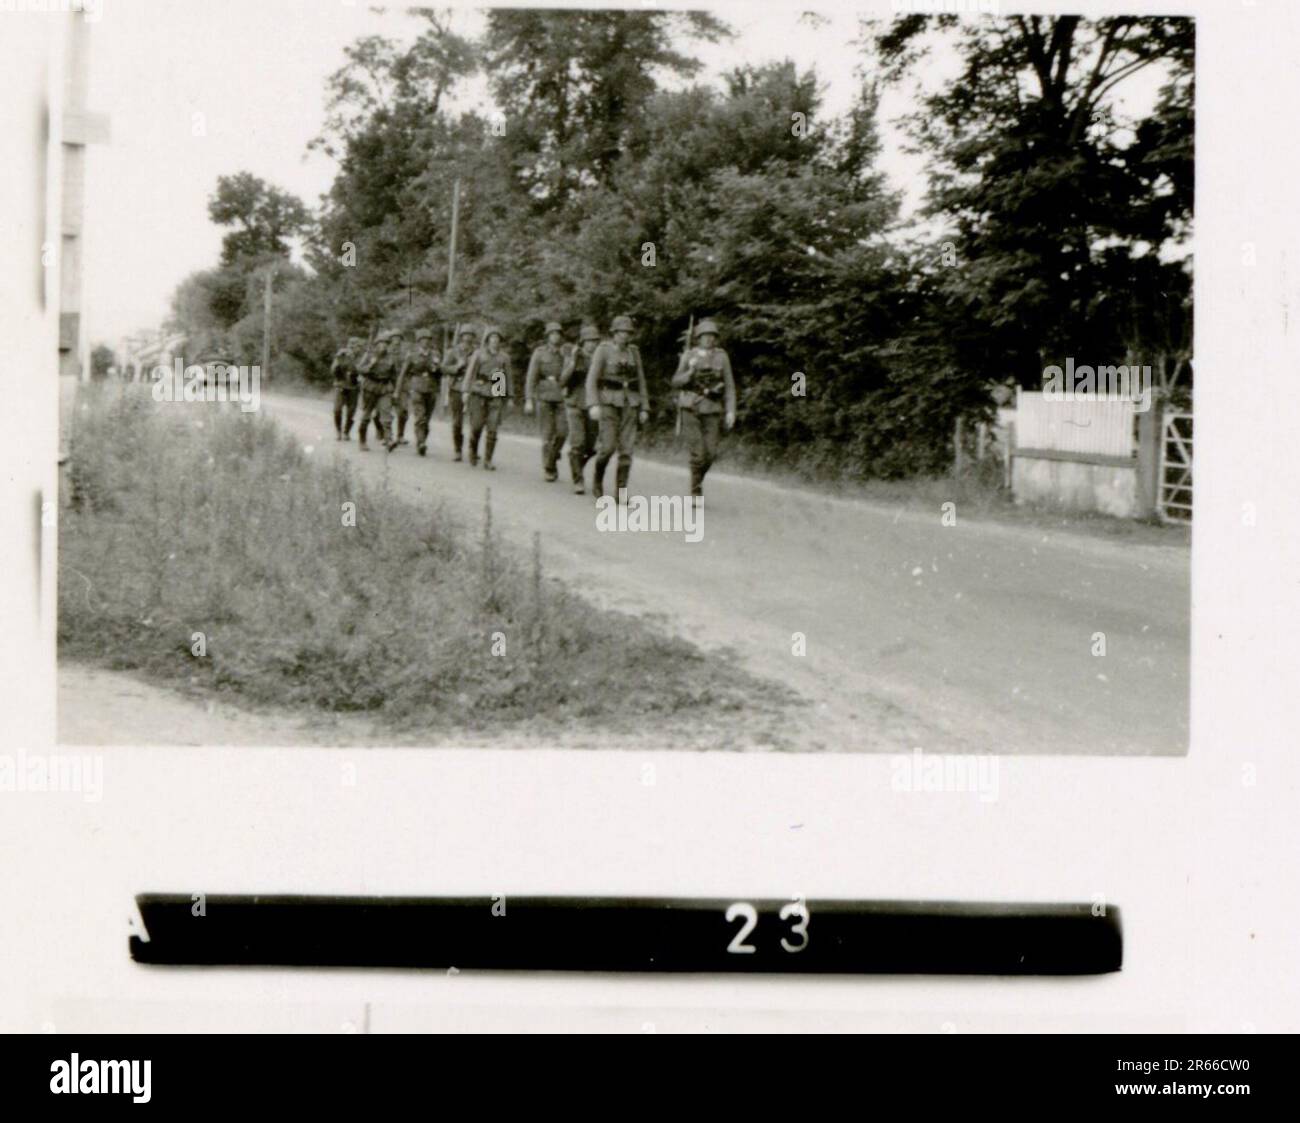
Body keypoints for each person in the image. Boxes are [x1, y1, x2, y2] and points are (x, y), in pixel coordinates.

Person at [585, 314, 648, 501]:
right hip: (608, 402)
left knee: (627, 450)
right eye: (621, 332)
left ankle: (621, 491)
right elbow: (591, 379)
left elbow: (641, 380)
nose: (625, 336)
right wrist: (593, 404)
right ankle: (597, 479)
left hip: (630, 402)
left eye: (628, 333)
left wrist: (645, 406)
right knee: (608, 447)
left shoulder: (634, 352)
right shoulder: (603, 350)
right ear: (614, 333)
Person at [671, 318, 736, 498]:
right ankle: (695, 490)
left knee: (711, 454)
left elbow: (729, 385)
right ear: (698, 338)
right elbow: (675, 381)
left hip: (712, 408)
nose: (709, 339)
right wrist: (689, 373)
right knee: (698, 454)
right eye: (705, 336)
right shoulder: (688, 356)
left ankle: (697, 480)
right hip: (690, 407)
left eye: (712, 336)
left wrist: (731, 410)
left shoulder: (722, 357)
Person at [461, 326, 513, 470]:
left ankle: (488, 459)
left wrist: (510, 397)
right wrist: (466, 391)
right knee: (476, 426)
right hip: (479, 391)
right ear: (488, 339)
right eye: (492, 338)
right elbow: (470, 373)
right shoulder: (479, 354)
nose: (495, 341)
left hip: (497, 389)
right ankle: (473, 450)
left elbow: (508, 377)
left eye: (497, 338)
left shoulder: (504, 357)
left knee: (493, 428)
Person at [524, 320, 569, 481]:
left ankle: (553, 455)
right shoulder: (540, 353)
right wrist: (528, 399)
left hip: (562, 397)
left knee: (563, 432)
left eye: (558, 333)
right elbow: (531, 377)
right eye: (552, 334)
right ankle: (549, 467)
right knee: (547, 435)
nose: (555, 337)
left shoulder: (566, 353)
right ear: (547, 336)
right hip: (544, 396)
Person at [563, 324, 602, 494]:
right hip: (575, 403)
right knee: (577, 443)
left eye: (594, 341)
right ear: (582, 342)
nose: (592, 344)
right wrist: (572, 362)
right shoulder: (575, 357)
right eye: (589, 341)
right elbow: (563, 380)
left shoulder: (601, 358)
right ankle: (577, 479)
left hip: (593, 405)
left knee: (591, 447)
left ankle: (575, 463)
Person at [398, 328, 442, 456]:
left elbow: (440, 373)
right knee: (420, 417)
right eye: (423, 340)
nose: (426, 342)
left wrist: (437, 369)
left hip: (431, 388)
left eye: (428, 340)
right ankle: (421, 443)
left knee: (426, 419)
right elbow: (403, 373)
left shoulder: (436, 355)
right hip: (416, 388)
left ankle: (422, 441)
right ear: (418, 342)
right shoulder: (412, 355)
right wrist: (398, 390)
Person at [356, 330, 401, 451]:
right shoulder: (369, 356)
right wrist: (370, 365)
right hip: (370, 387)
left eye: (386, 344)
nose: (384, 346)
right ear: (376, 345)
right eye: (381, 343)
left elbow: (394, 376)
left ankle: (388, 440)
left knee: (386, 414)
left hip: (385, 388)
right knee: (366, 415)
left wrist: (396, 391)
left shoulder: (391, 358)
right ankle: (362, 441)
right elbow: (359, 369)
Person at [441, 324, 477, 461]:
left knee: (476, 422)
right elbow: (443, 368)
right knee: (457, 422)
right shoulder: (453, 352)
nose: (468, 338)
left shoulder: (477, 352)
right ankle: (458, 449)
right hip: (456, 388)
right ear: (461, 337)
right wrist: (457, 367)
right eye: (465, 335)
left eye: (470, 335)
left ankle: (473, 449)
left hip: (473, 390)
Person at [331, 336, 362, 440]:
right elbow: (333, 370)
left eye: (356, 346)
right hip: (341, 386)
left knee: (351, 411)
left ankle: (346, 432)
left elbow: (362, 371)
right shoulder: (341, 355)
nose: (353, 348)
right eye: (352, 345)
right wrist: (339, 360)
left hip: (354, 387)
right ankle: (338, 431)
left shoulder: (362, 357)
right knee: (337, 410)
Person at [387, 329, 411, 446]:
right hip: (388, 384)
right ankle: (387, 435)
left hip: (403, 385)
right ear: (390, 339)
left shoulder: (406, 352)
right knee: (385, 410)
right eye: (394, 338)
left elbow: (410, 368)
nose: (396, 340)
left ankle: (400, 435)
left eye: (398, 338)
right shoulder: (386, 351)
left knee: (403, 411)